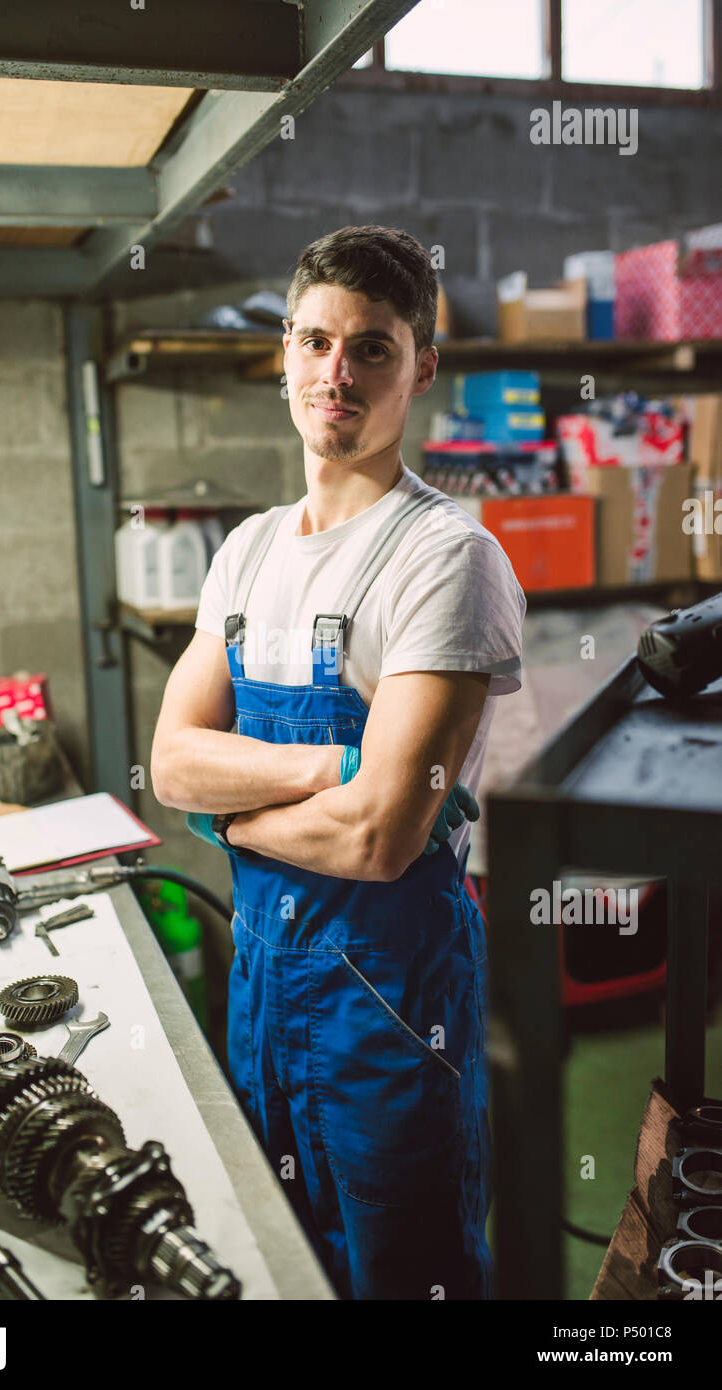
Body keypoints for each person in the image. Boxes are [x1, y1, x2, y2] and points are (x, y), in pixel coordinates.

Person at [151, 224, 526, 1300]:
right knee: (284, 1258)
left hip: (388, 1001)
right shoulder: (246, 552)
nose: (336, 371)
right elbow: (172, 762)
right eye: (315, 341)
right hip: (262, 986)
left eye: (371, 346)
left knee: (407, 1273)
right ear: (284, 356)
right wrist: (325, 765)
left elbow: (378, 835)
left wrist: (229, 815)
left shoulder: (445, 558)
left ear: (423, 367)